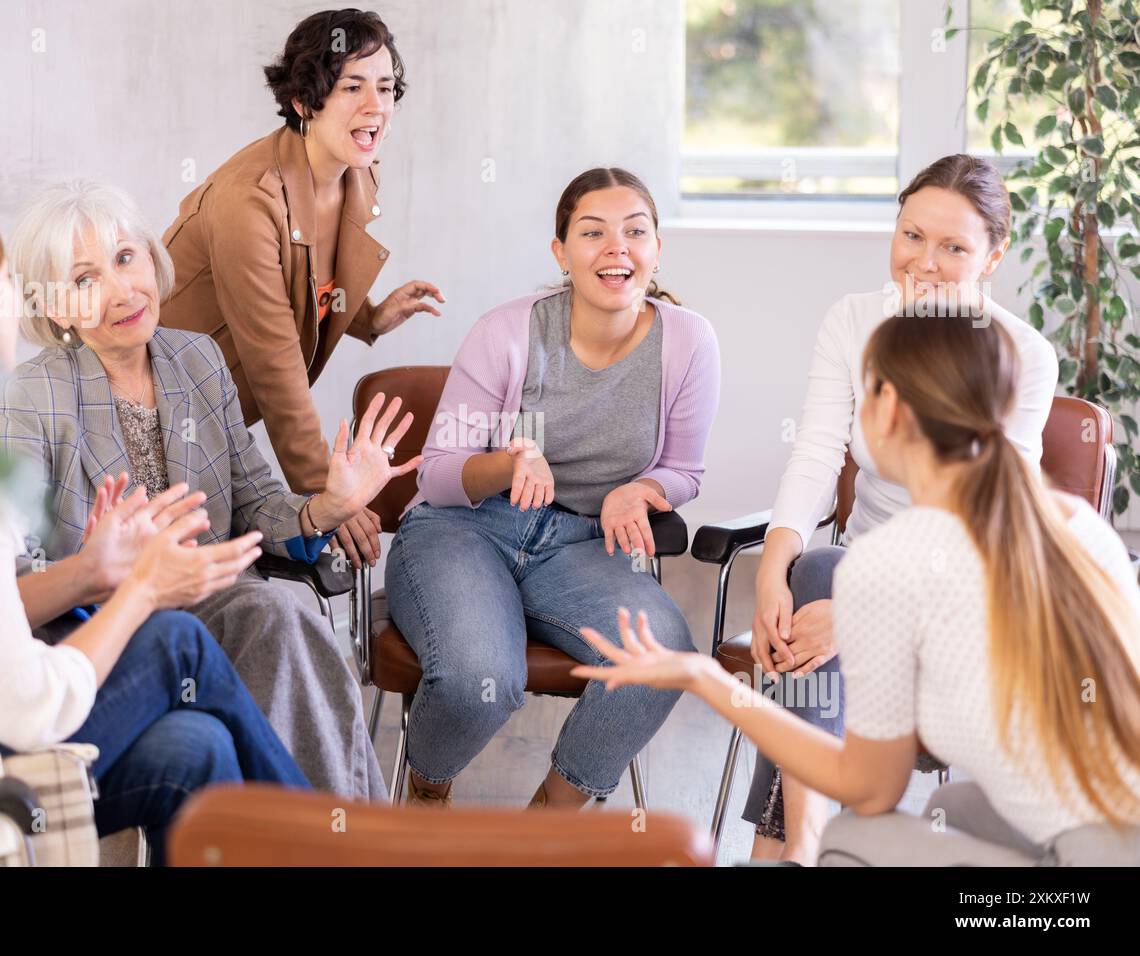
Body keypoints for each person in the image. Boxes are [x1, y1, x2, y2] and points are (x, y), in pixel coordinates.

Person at [0, 195, 308, 866]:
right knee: (176, 638)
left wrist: (93, 569)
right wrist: (143, 591)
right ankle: (329, 850)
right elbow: (25, 710)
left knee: (196, 748)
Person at [574, 312, 1140, 866]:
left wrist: (699, 676)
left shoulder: (891, 563)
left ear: (888, 409)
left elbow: (867, 787)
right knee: (953, 803)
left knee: (848, 845)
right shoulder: (1078, 526)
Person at [0, 181, 420, 800]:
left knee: (282, 617)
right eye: (85, 280)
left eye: (126, 258)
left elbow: (254, 501)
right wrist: (93, 565)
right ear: (56, 307)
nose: (121, 291)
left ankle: (315, 837)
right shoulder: (27, 398)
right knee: (274, 615)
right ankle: (337, 839)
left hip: (218, 605)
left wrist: (331, 506)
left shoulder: (199, 359)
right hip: (108, 627)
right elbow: (11, 574)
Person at [742, 154, 1059, 863]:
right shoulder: (854, 321)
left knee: (829, 591)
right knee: (818, 568)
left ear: (994, 256)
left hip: (963, 589)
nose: (925, 262)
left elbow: (993, 523)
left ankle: (792, 849)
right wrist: (771, 569)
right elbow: (818, 454)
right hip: (851, 567)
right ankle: (805, 845)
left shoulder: (1023, 356)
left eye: (954, 247)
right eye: (912, 235)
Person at [384, 168, 720, 809]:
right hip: (466, 529)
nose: (616, 247)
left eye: (635, 231)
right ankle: (427, 792)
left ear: (656, 248)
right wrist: (509, 466)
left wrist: (641, 490)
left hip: (582, 546)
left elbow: (685, 471)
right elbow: (437, 472)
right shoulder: (507, 332)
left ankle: (545, 826)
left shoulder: (688, 341)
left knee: (662, 655)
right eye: (592, 233)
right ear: (561, 253)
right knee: (481, 676)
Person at [160, 7, 443, 570]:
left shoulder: (355, 169)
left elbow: (307, 273)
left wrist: (370, 317)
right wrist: (327, 498)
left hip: (217, 416)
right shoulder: (249, 200)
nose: (375, 107)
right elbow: (274, 364)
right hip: (159, 409)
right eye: (352, 87)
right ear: (304, 101)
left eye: (385, 87)